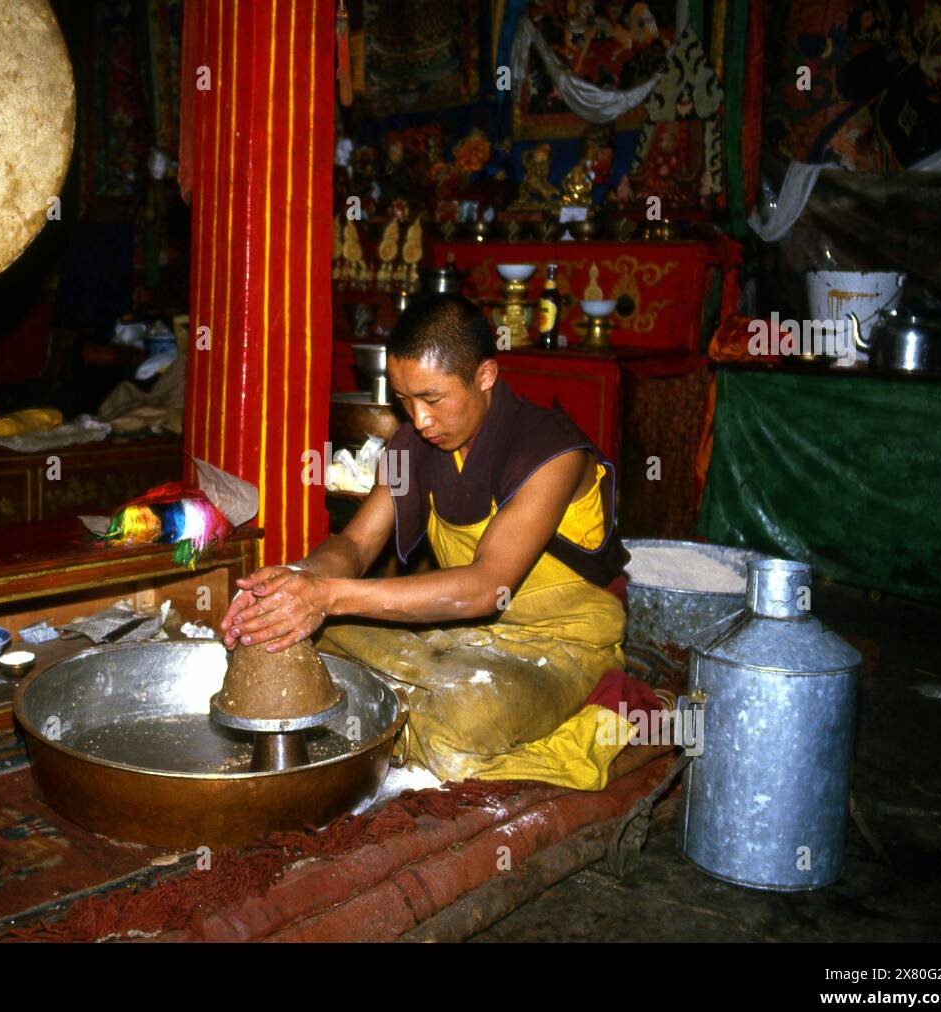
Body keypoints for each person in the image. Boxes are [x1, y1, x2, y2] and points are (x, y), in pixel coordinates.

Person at [219, 293, 632, 789]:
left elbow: (485, 587)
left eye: (433, 399)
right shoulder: (411, 446)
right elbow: (354, 545)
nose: (419, 420)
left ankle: (383, 716)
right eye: (404, 401)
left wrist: (328, 596)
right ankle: (388, 712)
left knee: (466, 716)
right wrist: (294, 584)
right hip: (456, 636)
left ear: (485, 376)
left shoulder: (552, 451)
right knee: (292, 639)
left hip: (557, 646)